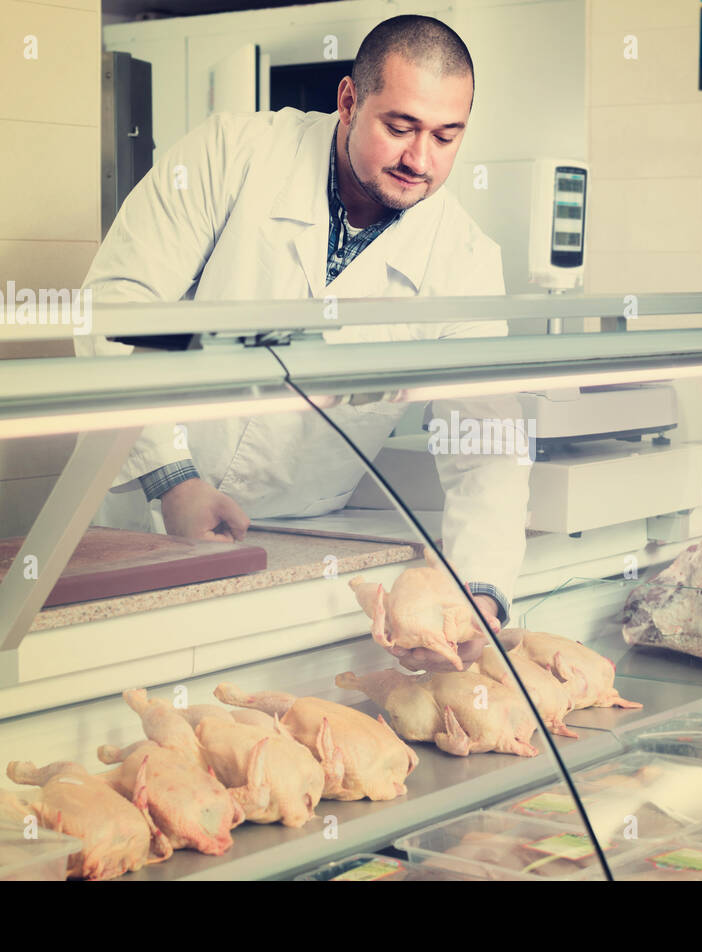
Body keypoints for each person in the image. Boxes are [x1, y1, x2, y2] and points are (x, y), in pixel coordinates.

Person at [76, 15, 529, 672]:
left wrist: (479, 594)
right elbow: (114, 304)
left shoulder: (464, 260)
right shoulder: (233, 154)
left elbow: (485, 447)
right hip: (141, 515)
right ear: (348, 101)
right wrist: (170, 477)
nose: (419, 160)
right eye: (399, 127)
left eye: (445, 136)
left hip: (299, 549)